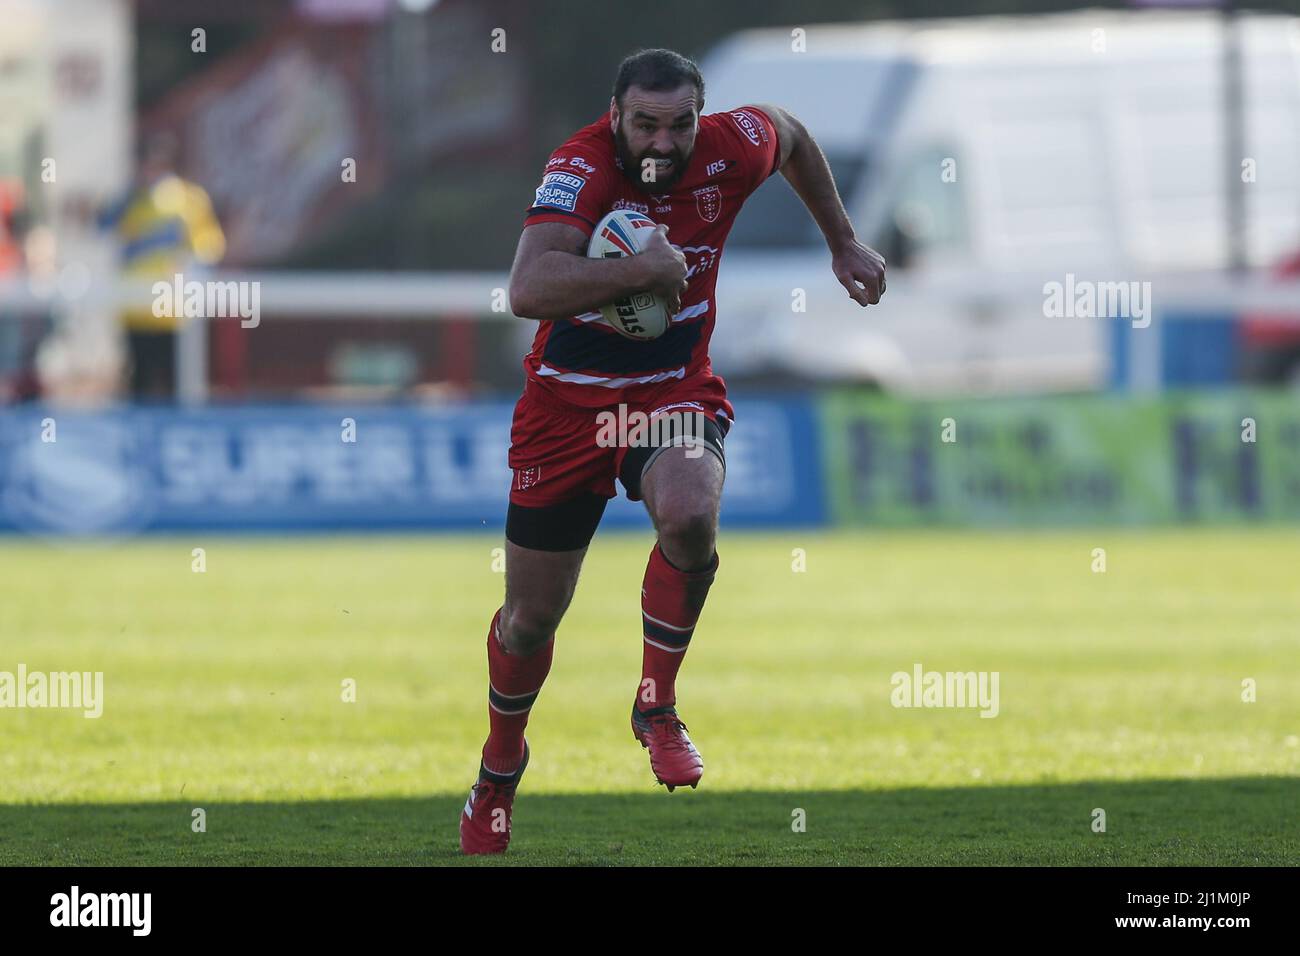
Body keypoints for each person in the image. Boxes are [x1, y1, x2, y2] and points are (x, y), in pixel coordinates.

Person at [460, 48, 886, 854]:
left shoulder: (733, 144)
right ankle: (499, 769)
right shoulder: (578, 168)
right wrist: (640, 272)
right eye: (645, 125)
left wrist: (842, 242)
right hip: (566, 408)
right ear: (614, 115)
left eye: (679, 125)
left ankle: (655, 703)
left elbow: (791, 134)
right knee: (528, 620)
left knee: (690, 515)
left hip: (671, 391)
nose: (662, 143)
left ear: (701, 117)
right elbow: (526, 290)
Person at [99, 132, 225, 399]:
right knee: (140, 382)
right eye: (144, 163)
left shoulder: (189, 199)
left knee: (178, 384)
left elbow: (210, 247)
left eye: (155, 163)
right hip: (135, 310)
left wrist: (188, 267)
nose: (148, 170)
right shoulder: (129, 200)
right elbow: (102, 227)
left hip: (174, 311)